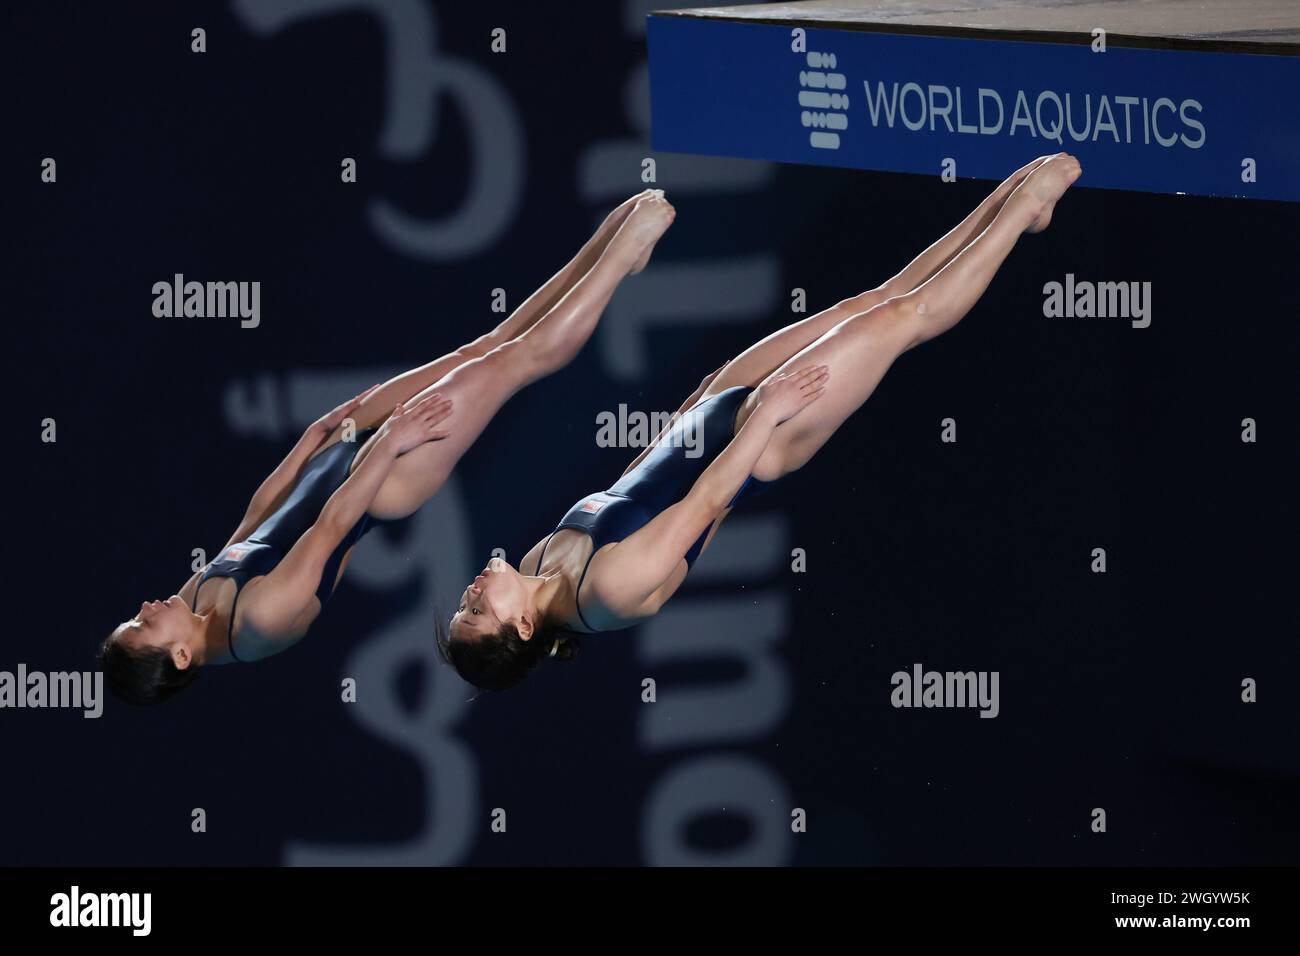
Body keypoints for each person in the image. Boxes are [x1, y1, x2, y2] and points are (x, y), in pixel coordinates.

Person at [443, 154, 1083, 691]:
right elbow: (704, 503)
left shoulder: (539, 558)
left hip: (712, 415)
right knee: (901, 321)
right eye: (476, 610)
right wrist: (767, 414)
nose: (469, 591)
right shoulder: (606, 595)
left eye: (462, 603)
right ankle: (1024, 210)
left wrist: (699, 403)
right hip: (762, 439)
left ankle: (1007, 199)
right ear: (523, 628)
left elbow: (632, 485)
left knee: (869, 302)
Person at [100, 190, 679, 704]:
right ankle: (622, 255)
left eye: (134, 616)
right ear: (179, 657)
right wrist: (390, 441)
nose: (147, 608)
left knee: (488, 346)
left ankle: (608, 243)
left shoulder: (192, 598)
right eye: (143, 626)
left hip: (340, 457)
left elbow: (257, 519)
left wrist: (313, 439)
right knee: (511, 364)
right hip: (386, 478)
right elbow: (329, 527)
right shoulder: (256, 627)